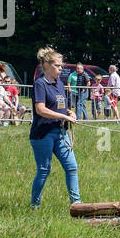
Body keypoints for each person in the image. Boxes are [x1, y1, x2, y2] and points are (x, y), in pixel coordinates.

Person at [29, 47, 80, 208]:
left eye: (61, 66)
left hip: (61, 133)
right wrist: (63, 116)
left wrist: (69, 112)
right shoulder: (40, 84)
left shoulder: (59, 83)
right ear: (46, 65)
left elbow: (60, 105)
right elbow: (41, 109)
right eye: (57, 65)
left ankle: (76, 204)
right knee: (44, 170)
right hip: (43, 134)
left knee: (72, 167)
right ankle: (35, 205)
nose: (60, 69)